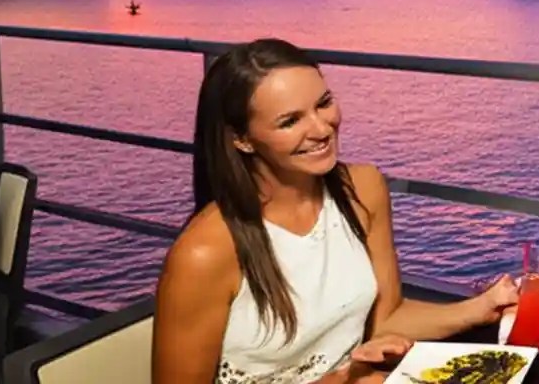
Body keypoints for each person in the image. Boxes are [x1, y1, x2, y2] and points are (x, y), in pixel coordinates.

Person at [153, 38, 515, 383]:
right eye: (290, 121)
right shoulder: (204, 253)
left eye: (323, 103)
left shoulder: (363, 189)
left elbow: (385, 320)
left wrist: (480, 308)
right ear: (242, 139)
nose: (322, 128)